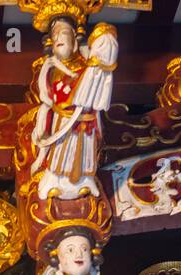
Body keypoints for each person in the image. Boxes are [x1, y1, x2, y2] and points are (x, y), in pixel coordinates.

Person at [30, 19, 118, 200]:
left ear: (76, 41)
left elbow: (99, 75)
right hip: (62, 121)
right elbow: (50, 97)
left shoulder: (87, 67)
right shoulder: (51, 68)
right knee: (60, 153)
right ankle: (54, 177)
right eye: (54, 36)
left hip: (86, 122)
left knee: (86, 155)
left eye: (62, 33)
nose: (57, 38)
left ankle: (86, 179)